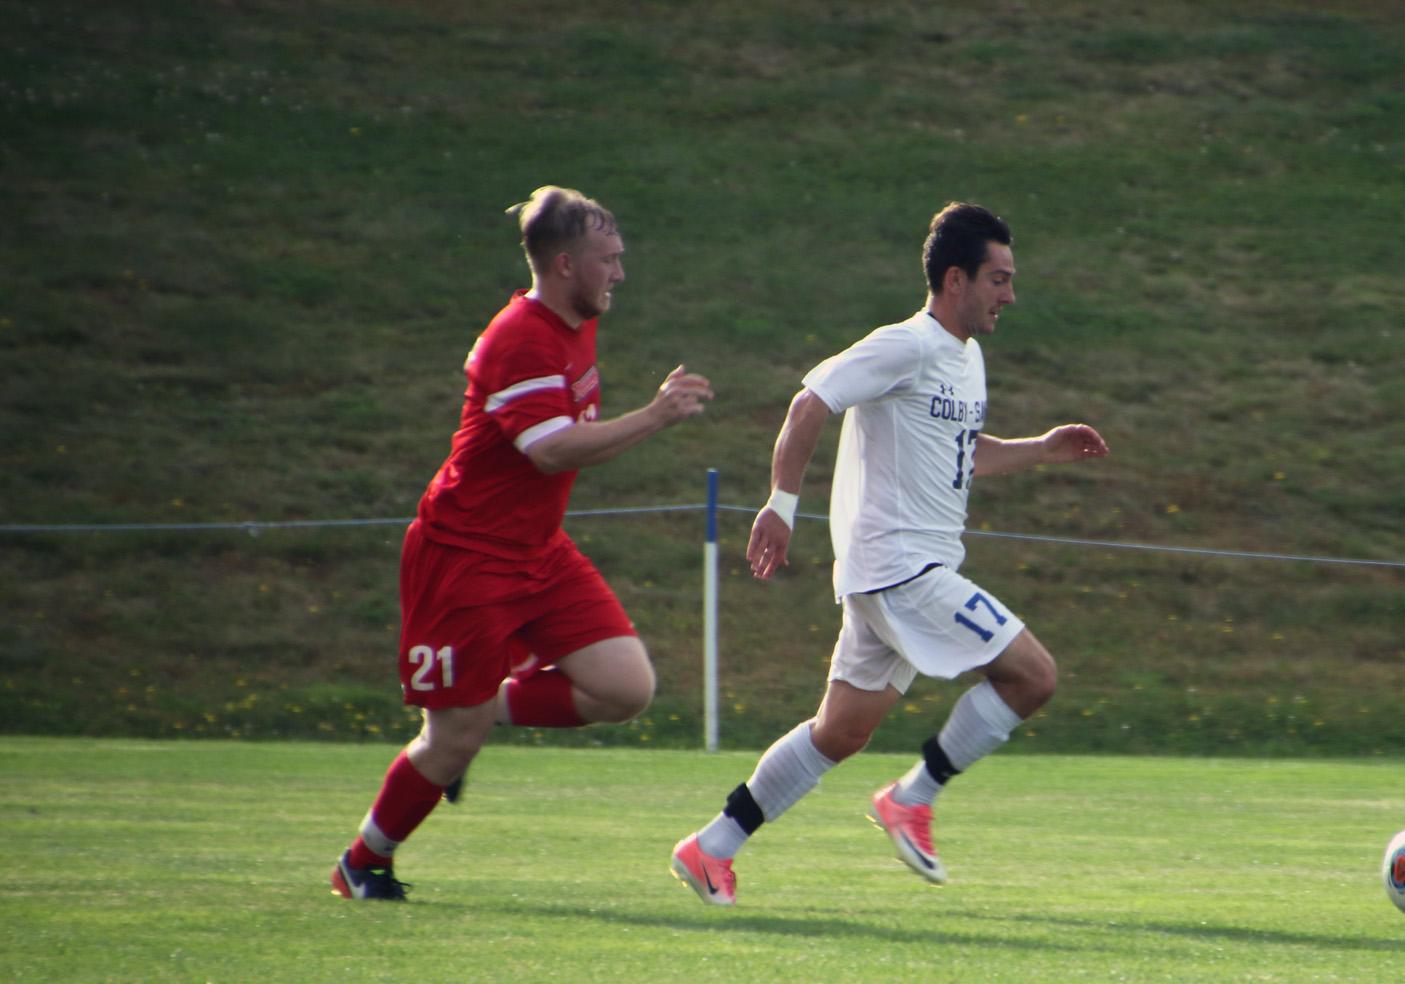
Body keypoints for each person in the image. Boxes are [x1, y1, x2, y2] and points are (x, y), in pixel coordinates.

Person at [669, 202, 1108, 906]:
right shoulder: (905, 343)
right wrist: (781, 507)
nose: (1011, 295)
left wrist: (1042, 449)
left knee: (837, 733)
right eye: (999, 279)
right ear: (956, 279)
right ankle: (913, 798)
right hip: (906, 568)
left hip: (894, 573)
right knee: (1033, 675)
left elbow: (963, 451)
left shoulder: (967, 359)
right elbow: (811, 401)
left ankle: (711, 846)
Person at [332, 186, 713, 900]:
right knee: (449, 742)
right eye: (609, 260)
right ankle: (363, 862)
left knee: (625, 687)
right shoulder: (520, 337)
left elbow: (563, 450)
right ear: (565, 264)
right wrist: (656, 416)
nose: (621, 274)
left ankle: (484, 707)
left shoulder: (575, 320)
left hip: (536, 549)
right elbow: (551, 449)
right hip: (464, 555)